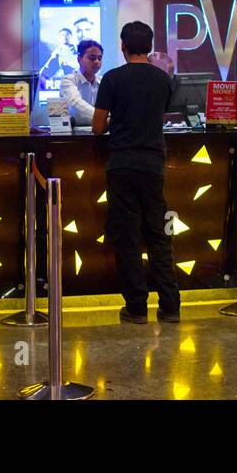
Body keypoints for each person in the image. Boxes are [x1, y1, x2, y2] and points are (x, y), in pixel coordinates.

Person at [92, 21, 179, 324]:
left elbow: (98, 126)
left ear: (123, 46)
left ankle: (137, 308)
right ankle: (170, 306)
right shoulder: (163, 80)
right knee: (158, 235)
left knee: (128, 237)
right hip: (154, 164)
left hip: (122, 164)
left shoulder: (112, 79)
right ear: (150, 46)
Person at [61, 39, 103, 125]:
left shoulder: (103, 81)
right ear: (79, 59)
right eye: (92, 58)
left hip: (100, 131)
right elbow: (75, 102)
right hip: (74, 134)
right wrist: (102, 117)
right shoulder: (68, 80)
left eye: (99, 58)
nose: (97, 62)